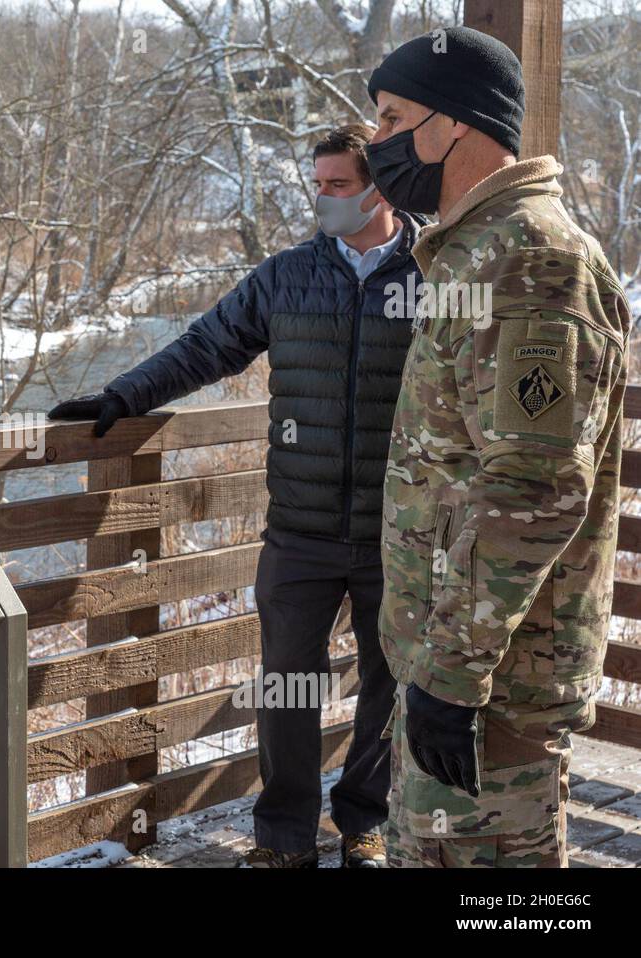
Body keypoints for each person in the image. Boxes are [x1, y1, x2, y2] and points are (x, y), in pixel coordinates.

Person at [49, 124, 423, 868]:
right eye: (315, 184)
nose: (323, 199)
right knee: (287, 684)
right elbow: (206, 347)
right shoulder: (286, 276)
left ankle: (364, 823)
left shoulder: (436, 274)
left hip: (401, 530)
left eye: (337, 186)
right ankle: (284, 838)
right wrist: (123, 394)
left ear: (379, 186)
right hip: (301, 530)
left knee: (391, 683)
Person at [366, 26, 630, 867]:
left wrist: (450, 675)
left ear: (455, 126)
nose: (377, 142)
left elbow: (534, 488)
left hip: (492, 687)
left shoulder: (532, 262)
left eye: (391, 116)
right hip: (459, 666)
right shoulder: (477, 251)